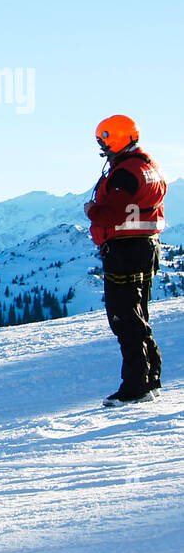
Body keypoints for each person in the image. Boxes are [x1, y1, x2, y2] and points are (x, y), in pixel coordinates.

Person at [84, 115, 167, 405]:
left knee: (124, 318)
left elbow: (111, 213)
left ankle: (136, 388)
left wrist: (92, 211)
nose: (102, 148)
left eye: (104, 142)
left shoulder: (124, 173)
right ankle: (150, 379)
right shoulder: (147, 167)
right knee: (138, 314)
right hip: (144, 248)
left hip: (125, 251)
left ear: (116, 138)